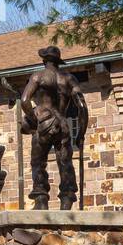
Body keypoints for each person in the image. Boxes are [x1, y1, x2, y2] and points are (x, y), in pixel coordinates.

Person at [19, 45, 87, 210]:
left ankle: (41, 198)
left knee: (38, 161)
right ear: (58, 62)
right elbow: (82, 107)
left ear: (44, 60)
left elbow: (24, 101)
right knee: (65, 162)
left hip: (44, 122)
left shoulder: (38, 76)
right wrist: (80, 133)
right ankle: (67, 198)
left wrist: (34, 120)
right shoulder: (69, 79)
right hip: (63, 124)